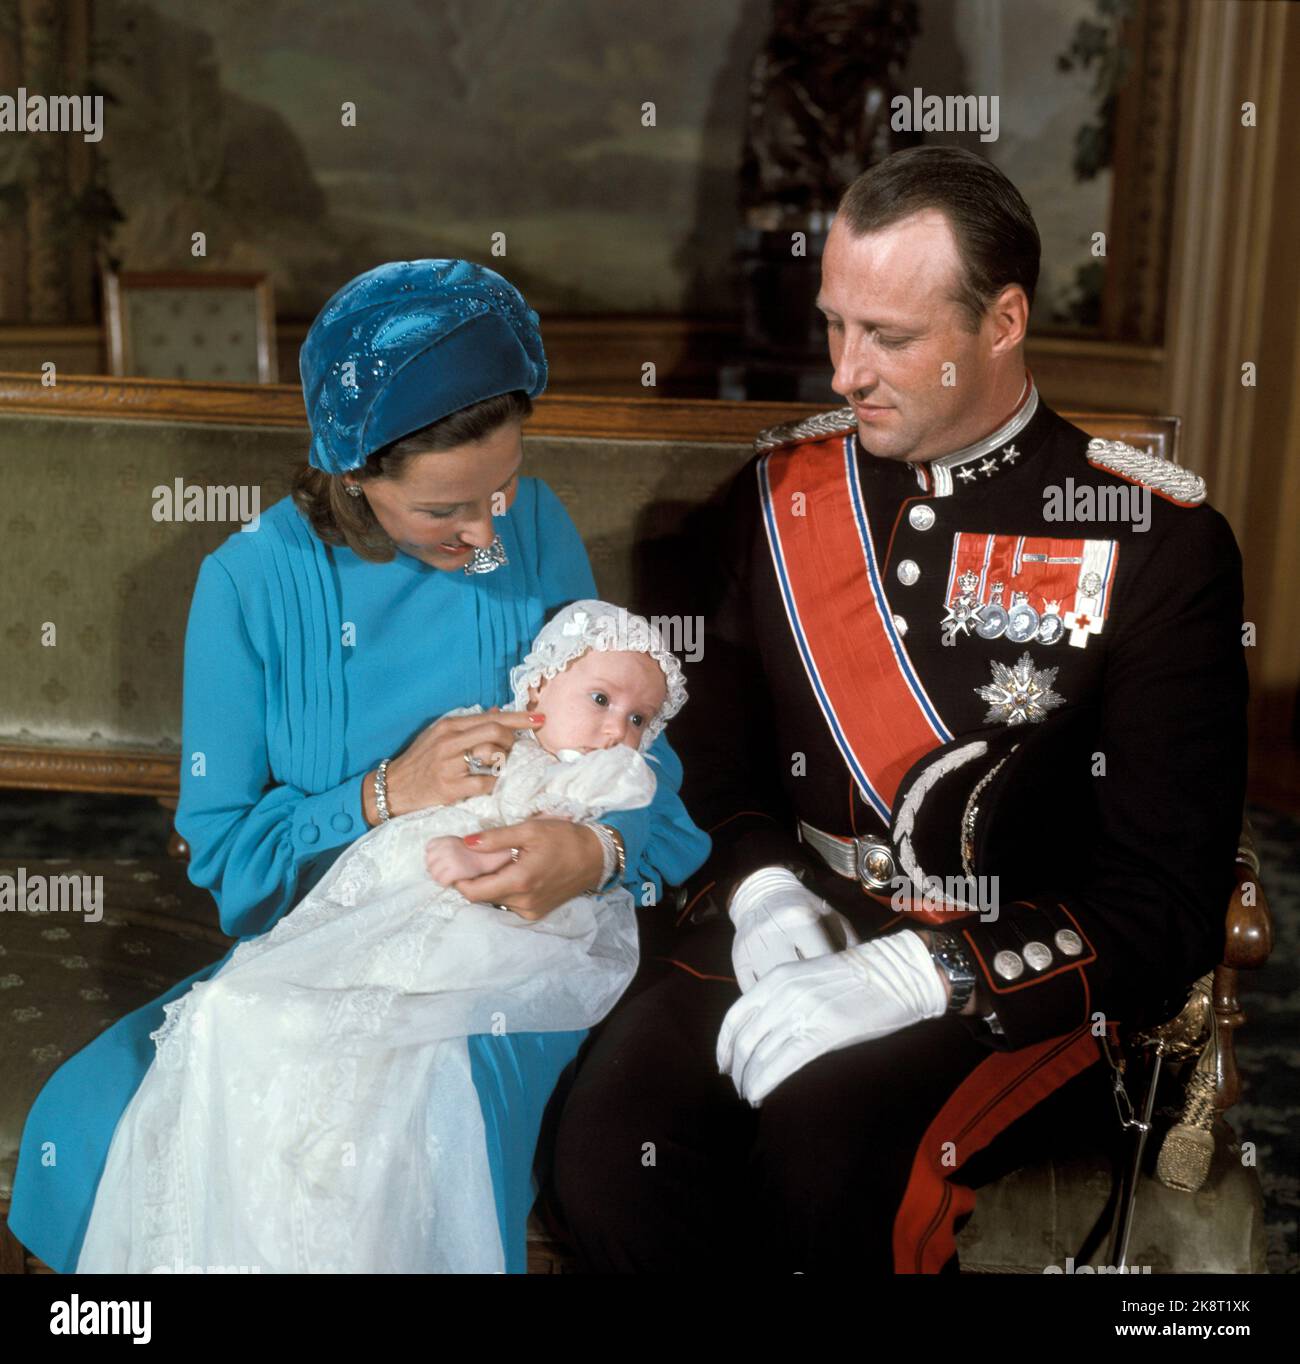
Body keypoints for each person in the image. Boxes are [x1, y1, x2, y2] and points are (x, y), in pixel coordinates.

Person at [547, 146, 1248, 1273]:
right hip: (787, 926)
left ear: (1002, 320)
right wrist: (763, 885)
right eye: (835, 324)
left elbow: (1164, 901)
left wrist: (931, 973)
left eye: (890, 337)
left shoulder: (1156, 545)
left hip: (1023, 978)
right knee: (607, 1152)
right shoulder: (778, 500)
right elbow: (713, 760)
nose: (843, 372)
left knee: (830, 1159)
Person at [8, 259, 709, 1275]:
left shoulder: (534, 524)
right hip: (320, 943)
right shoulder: (247, 584)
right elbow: (231, 859)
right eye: (445, 510)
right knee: (104, 1119)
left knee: (399, 1125)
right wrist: (387, 793)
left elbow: (630, 746)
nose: (484, 534)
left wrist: (591, 847)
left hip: (516, 955)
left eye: (501, 487)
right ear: (355, 473)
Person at [76, 600, 688, 1274]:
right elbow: (230, 845)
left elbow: (657, 822)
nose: (614, 731)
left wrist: (584, 848)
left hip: (517, 917)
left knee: (394, 1061)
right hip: (406, 896)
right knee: (244, 1010)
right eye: (600, 700)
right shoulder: (496, 740)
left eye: (637, 719)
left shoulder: (609, 774)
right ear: (538, 686)